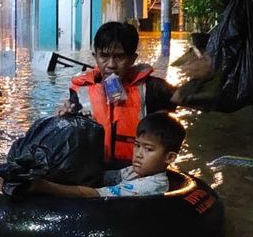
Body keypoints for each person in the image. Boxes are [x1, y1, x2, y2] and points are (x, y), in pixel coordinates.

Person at [0, 112, 186, 198]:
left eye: (148, 150)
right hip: (95, 198)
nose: (138, 154)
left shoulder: (151, 185)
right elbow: (100, 177)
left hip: (97, 215)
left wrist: (45, 186)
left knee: (18, 194)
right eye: (137, 146)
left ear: (170, 157)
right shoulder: (135, 171)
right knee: (20, 180)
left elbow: (94, 193)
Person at [62, 21, 209, 167]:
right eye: (104, 56)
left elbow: (195, 100)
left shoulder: (152, 88)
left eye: (119, 57)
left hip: (136, 172)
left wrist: (201, 79)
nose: (111, 65)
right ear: (95, 56)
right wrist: (63, 119)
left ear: (132, 59)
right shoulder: (81, 91)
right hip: (94, 172)